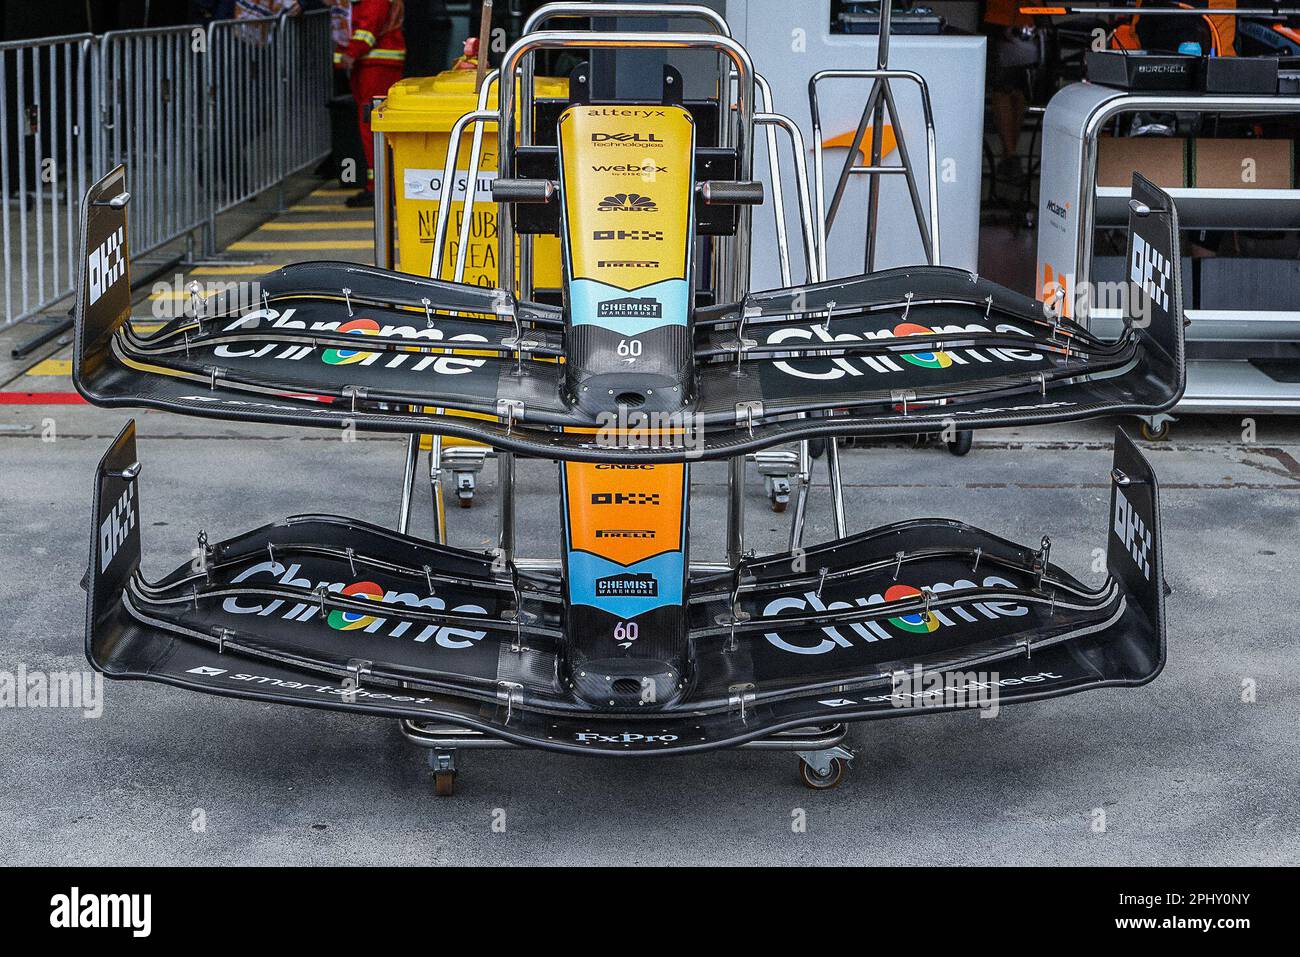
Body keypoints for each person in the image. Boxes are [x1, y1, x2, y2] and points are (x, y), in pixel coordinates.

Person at [337, 0, 407, 207]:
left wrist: (351, 53)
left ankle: (378, 186)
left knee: (372, 124)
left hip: (375, 63)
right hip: (374, 62)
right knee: (372, 124)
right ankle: (378, 184)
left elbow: (367, 27)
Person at [983, 0, 1037, 185]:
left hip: (1021, 21)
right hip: (1003, 20)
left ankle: (1010, 155)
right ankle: (1010, 155)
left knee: (1014, 90)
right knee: (1006, 89)